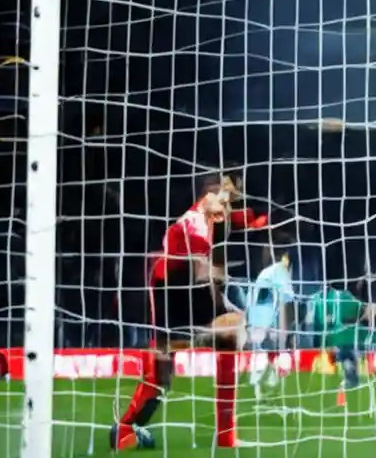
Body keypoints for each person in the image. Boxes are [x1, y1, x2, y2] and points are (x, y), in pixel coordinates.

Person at [111, 177, 268, 451]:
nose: (226, 205)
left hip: (188, 295)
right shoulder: (192, 226)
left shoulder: (211, 218)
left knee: (231, 335)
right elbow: (196, 273)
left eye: (229, 199)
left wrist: (257, 218)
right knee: (161, 376)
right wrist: (218, 289)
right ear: (206, 197)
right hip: (172, 301)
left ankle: (226, 434)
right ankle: (124, 431)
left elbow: (246, 217)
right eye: (222, 198)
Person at [245, 251, 296, 398]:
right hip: (266, 325)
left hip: (259, 324)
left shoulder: (268, 274)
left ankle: (259, 389)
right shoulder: (279, 272)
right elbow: (286, 305)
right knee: (267, 356)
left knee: (264, 356)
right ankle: (265, 388)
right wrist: (284, 339)